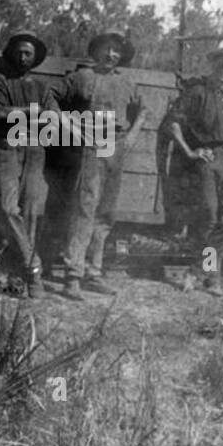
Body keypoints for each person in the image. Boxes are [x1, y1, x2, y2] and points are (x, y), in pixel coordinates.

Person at [57, 33, 145, 301]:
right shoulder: (81, 77)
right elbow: (52, 99)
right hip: (93, 140)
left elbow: (142, 110)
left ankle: (93, 273)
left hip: (115, 143)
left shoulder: (126, 82)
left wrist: (131, 136)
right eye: (106, 49)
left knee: (106, 212)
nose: (111, 55)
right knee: (86, 207)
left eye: (116, 51)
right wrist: (70, 125)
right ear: (96, 51)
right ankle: (73, 276)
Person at [163, 38, 223, 296]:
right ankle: (212, 278)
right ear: (213, 64)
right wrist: (191, 151)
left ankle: (197, 271)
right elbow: (173, 123)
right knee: (210, 218)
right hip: (208, 158)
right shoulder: (197, 92)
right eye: (221, 64)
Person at [0, 32, 57, 299]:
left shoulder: (42, 85)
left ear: (35, 57)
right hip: (9, 148)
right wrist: (33, 113)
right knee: (8, 207)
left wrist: (25, 114)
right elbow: (0, 113)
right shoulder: (0, 81)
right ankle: (33, 266)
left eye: (28, 53)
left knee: (31, 211)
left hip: (35, 149)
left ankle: (25, 278)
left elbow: (51, 116)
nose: (23, 57)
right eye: (19, 51)